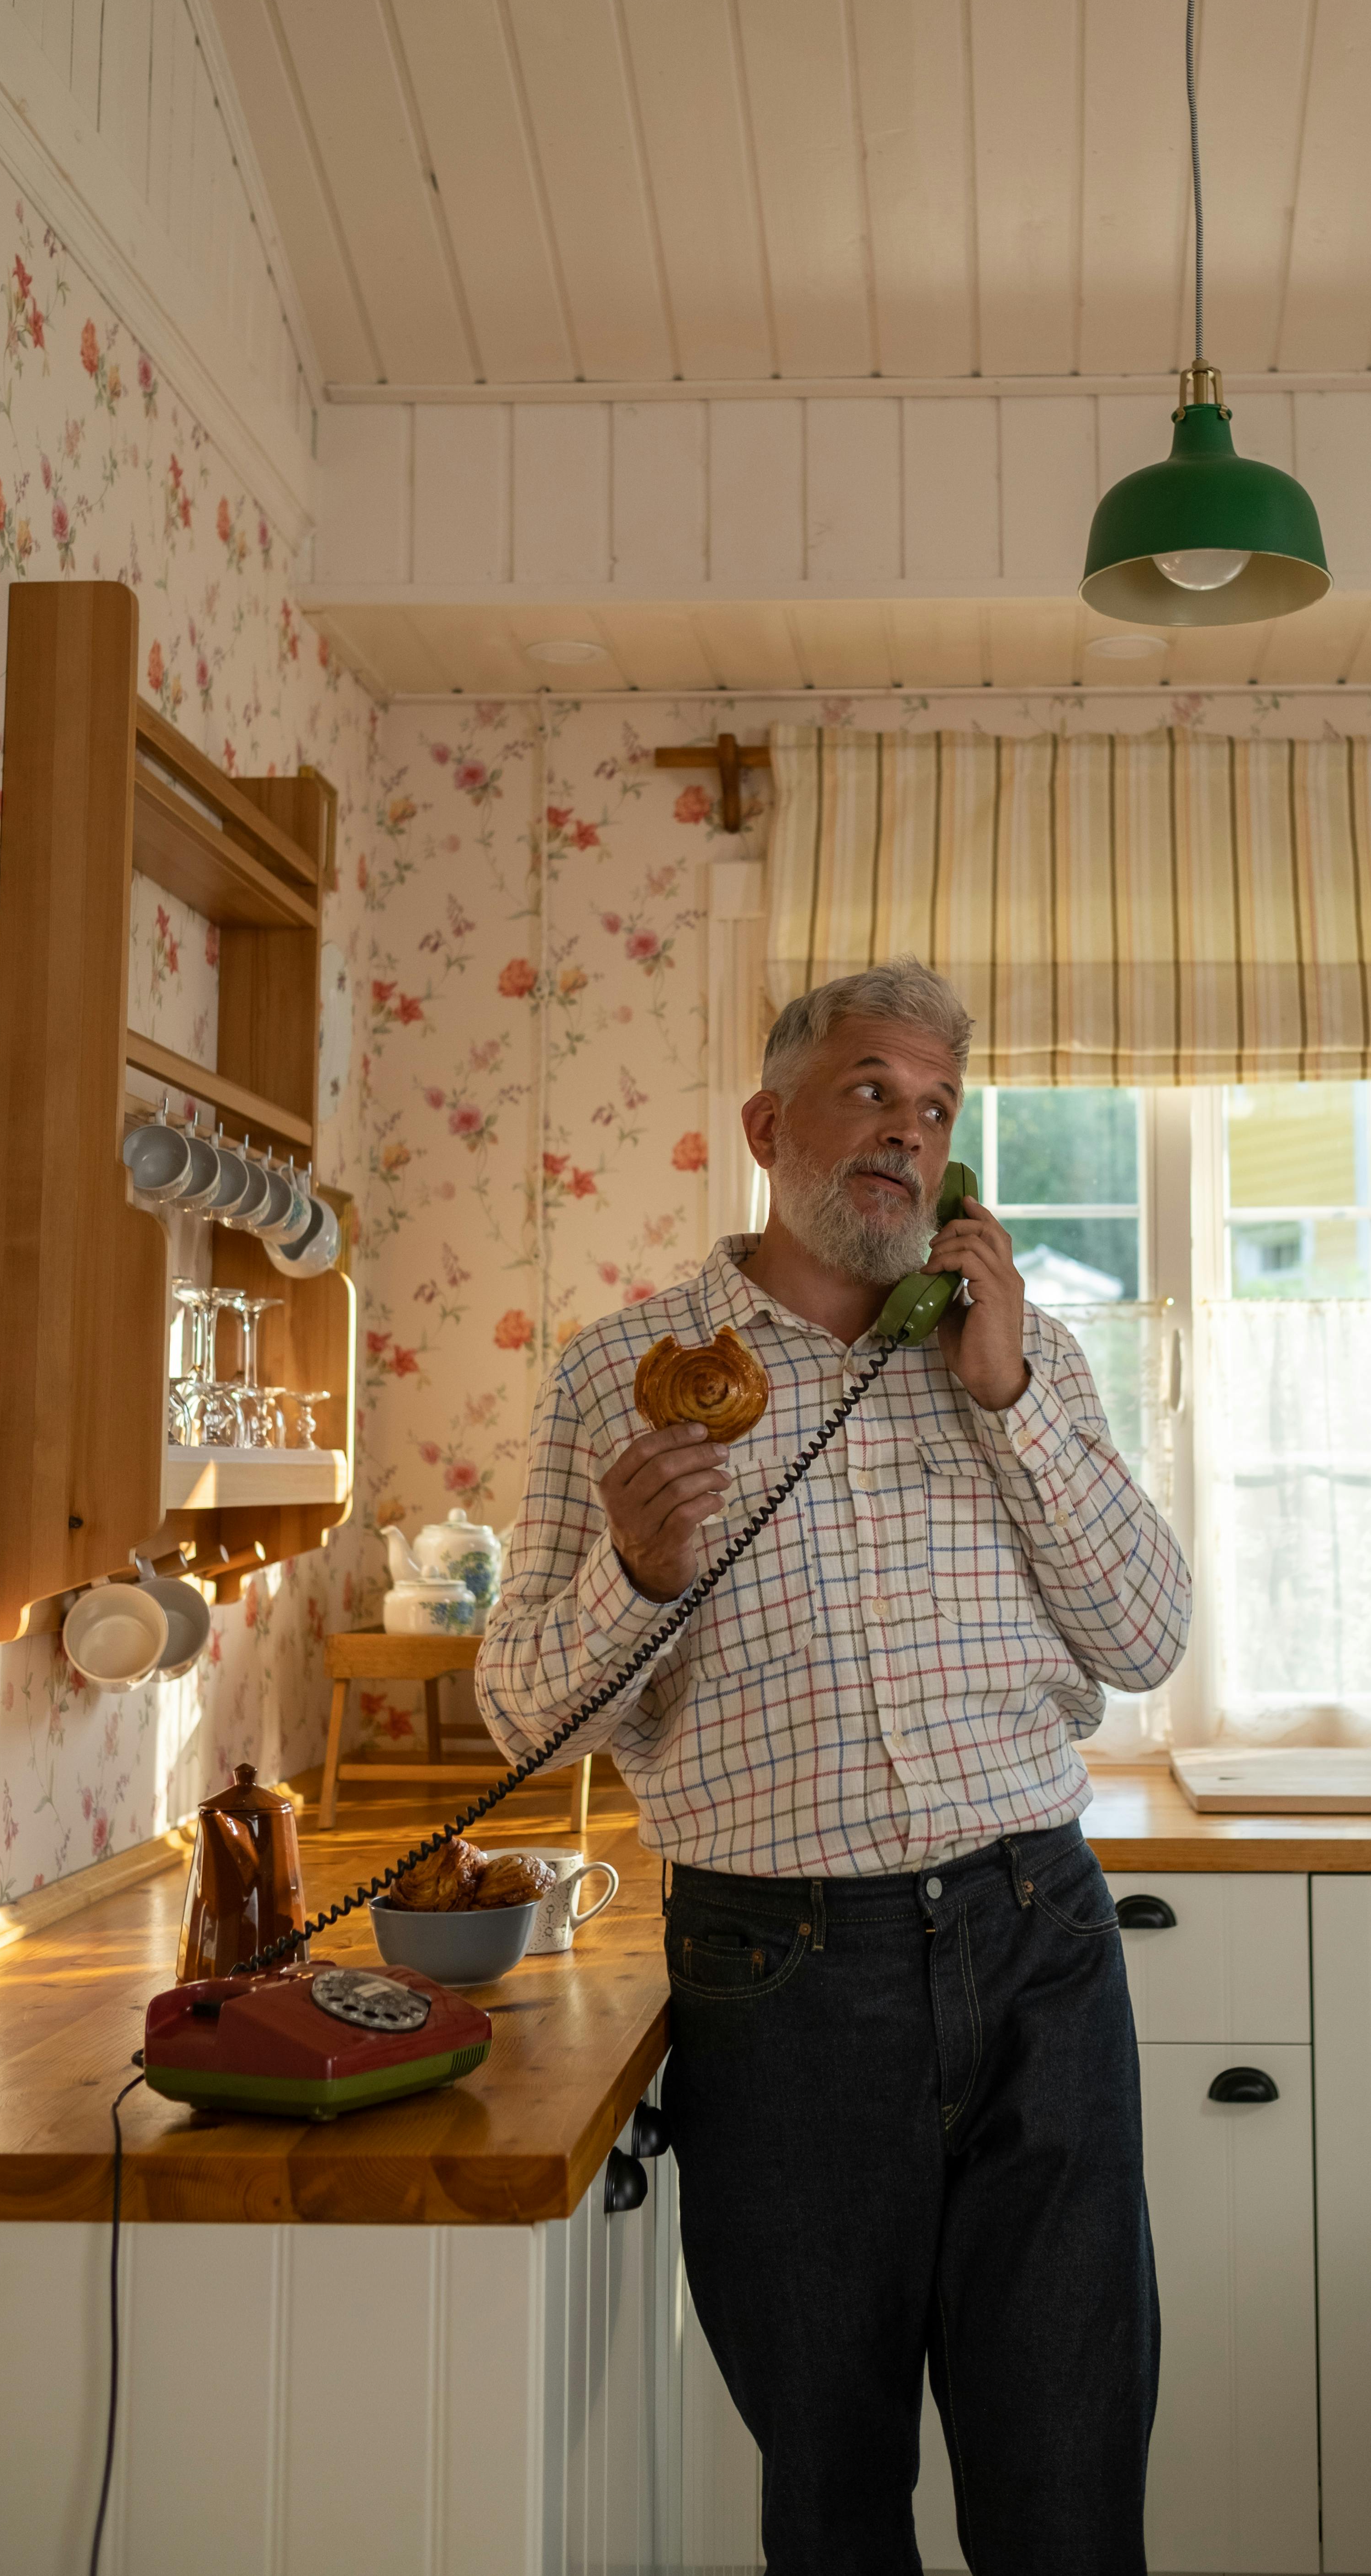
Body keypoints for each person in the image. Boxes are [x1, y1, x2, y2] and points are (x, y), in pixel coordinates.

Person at [478, 958, 1191, 2576]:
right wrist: (636, 1578)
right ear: (767, 1122)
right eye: (871, 1088)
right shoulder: (620, 1375)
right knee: (830, 2502)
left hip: (1039, 1945)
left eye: (935, 1108)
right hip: (779, 1976)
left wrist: (1005, 1400)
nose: (907, 1133)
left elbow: (1149, 1641)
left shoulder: (1028, 1362)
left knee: (1070, 2493)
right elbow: (525, 1721)